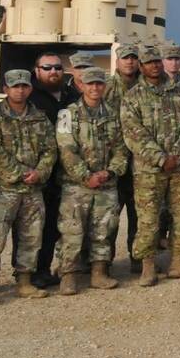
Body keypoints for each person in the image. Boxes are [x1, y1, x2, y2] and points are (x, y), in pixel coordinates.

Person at [121, 46, 180, 286]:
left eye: (157, 61)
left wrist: (177, 155)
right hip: (148, 169)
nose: (154, 66)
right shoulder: (133, 97)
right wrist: (160, 158)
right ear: (141, 67)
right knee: (148, 219)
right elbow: (133, 133)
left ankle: (179, 262)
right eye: (148, 63)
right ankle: (148, 265)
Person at [0, 69, 57, 305]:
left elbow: (50, 149)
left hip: (33, 190)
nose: (20, 90)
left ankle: (24, 281)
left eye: (24, 86)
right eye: (15, 86)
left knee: (31, 238)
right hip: (4, 189)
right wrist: (19, 173)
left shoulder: (39, 117)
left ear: (30, 88)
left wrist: (39, 172)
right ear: (6, 88)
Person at [55, 67, 128, 294]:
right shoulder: (68, 114)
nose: (95, 88)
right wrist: (86, 176)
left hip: (106, 183)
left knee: (104, 230)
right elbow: (66, 149)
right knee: (72, 230)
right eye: (91, 84)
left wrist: (110, 172)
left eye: (99, 84)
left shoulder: (114, 114)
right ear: (82, 86)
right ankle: (68, 275)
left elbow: (121, 148)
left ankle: (99, 272)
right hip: (77, 185)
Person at [27, 51, 79, 288]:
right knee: (34, 228)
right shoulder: (30, 97)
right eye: (47, 68)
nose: (53, 72)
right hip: (40, 174)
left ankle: (57, 269)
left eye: (57, 67)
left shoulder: (72, 96)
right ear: (36, 71)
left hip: (67, 173)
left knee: (59, 227)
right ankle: (32, 274)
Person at [104, 43, 142, 271]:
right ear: (117, 61)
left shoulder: (144, 86)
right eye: (125, 58)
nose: (129, 62)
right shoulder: (106, 87)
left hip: (139, 162)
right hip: (114, 162)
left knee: (139, 214)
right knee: (110, 216)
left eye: (133, 58)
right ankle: (103, 263)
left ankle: (138, 258)